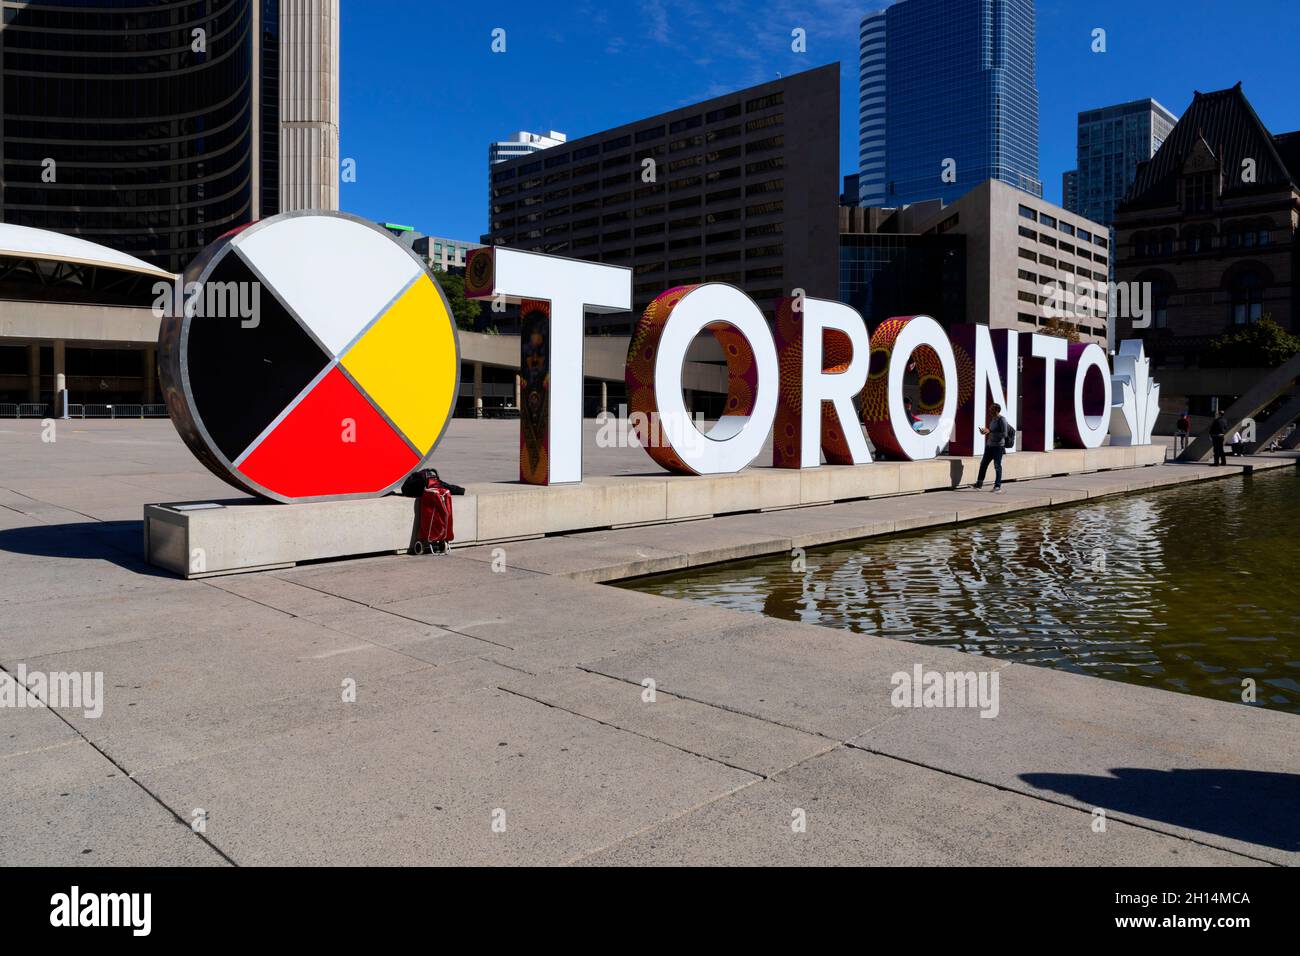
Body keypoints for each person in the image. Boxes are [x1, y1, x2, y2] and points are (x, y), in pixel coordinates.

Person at [972, 403, 1009, 493]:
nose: (989, 410)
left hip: (998, 447)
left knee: (997, 466)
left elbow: (1005, 434)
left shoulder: (1002, 420)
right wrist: (985, 431)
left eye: (991, 409)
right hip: (989, 446)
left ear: (996, 410)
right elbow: (991, 431)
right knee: (983, 464)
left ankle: (997, 487)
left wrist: (990, 431)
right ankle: (979, 484)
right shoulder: (992, 419)